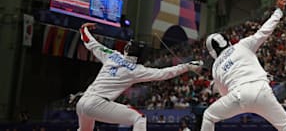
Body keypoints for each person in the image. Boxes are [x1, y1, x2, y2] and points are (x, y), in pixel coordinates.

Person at [75, 22, 203, 131]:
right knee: (139, 118)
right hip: (97, 104)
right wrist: (187, 66)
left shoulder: (112, 55)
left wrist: (83, 29)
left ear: (126, 50)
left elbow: (91, 43)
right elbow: (164, 73)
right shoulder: (136, 70)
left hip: (82, 102)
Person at [202, 0, 286, 131]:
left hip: (238, 96)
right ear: (227, 42)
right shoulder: (242, 45)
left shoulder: (215, 68)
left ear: (212, 52)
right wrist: (278, 11)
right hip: (261, 91)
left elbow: (224, 94)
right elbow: (264, 32)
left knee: (209, 116)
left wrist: (214, 86)